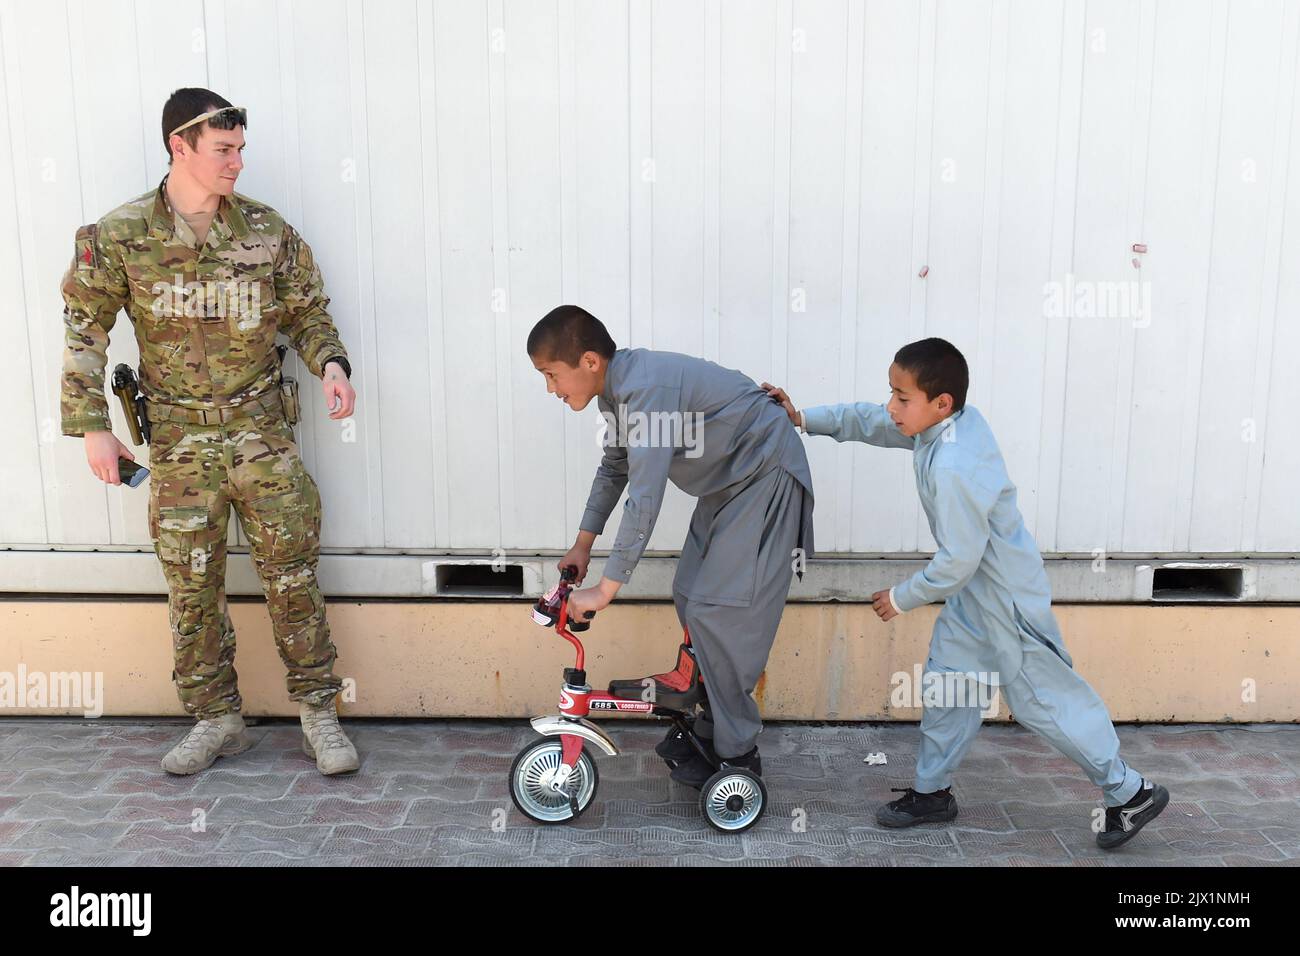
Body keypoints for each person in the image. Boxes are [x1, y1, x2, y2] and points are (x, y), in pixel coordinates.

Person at [59, 87, 360, 776]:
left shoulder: (265, 229)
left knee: (292, 577)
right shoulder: (120, 236)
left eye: (240, 149)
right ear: (180, 147)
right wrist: (91, 428)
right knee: (192, 587)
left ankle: (319, 714)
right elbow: (84, 330)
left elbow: (308, 312)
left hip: (261, 433)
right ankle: (217, 719)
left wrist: (332, 365)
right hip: (178, 441)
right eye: (224, 150)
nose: (237, 163)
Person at [765, 337, 1168, 849]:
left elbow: (959, 560)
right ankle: (932, 794)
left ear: (941, 403)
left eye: (902, 397)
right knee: (950, 685)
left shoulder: (953, 465)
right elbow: (872, 421)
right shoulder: (942, 425)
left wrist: (903, 596)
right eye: (892, 391)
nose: (892, 406)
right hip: (973, 596)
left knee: (1043, 701)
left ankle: (1130, 791)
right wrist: (803, 417)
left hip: (1003, 598)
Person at [528, 305, 814, 788]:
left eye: (552, 375)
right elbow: (615, 469)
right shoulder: (615, 395)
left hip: (765, 473)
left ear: (591, 361)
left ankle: (738, 753)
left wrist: (605, 590)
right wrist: (582, 545)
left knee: (718, 608)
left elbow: (645, 493)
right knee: (688, 592)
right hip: (729, 484)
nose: (551, 389)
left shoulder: (647, 394)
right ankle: (710, 723)